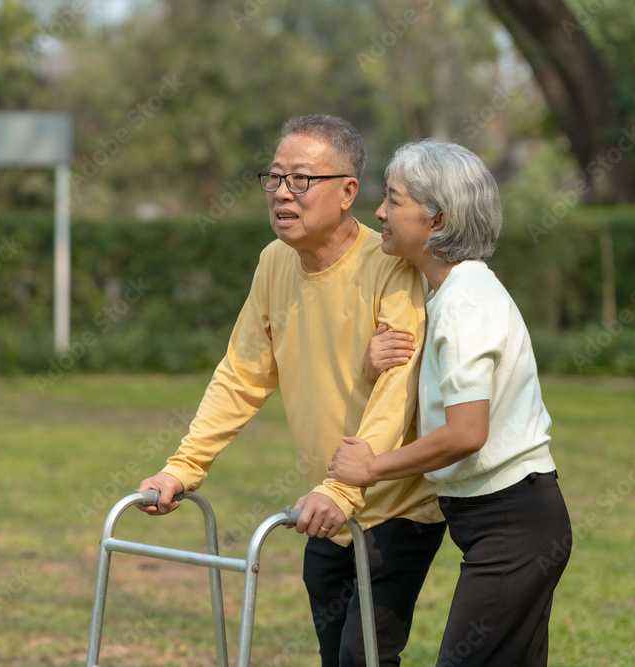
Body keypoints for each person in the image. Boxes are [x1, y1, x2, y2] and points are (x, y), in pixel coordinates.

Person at [137, 114, 446, 666]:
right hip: (322, 508)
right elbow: (241, 376)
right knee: (336, 657)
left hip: (394, 510)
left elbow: (397, 389)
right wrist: (182, 468)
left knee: (362, 657)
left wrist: (342, 490)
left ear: (348, 191)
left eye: (301, 180)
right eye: (274, 178)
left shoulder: (389, 264)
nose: (282, 193)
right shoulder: (274, 262)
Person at [327, 139, 572, 666]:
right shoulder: (448, 292)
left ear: (436, 220)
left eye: (392, 200)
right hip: (507, 521)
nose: (378, 213)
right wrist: (372, 363)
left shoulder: (463, 304)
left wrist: (370, 468)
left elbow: (466, 433)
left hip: (512, 524)